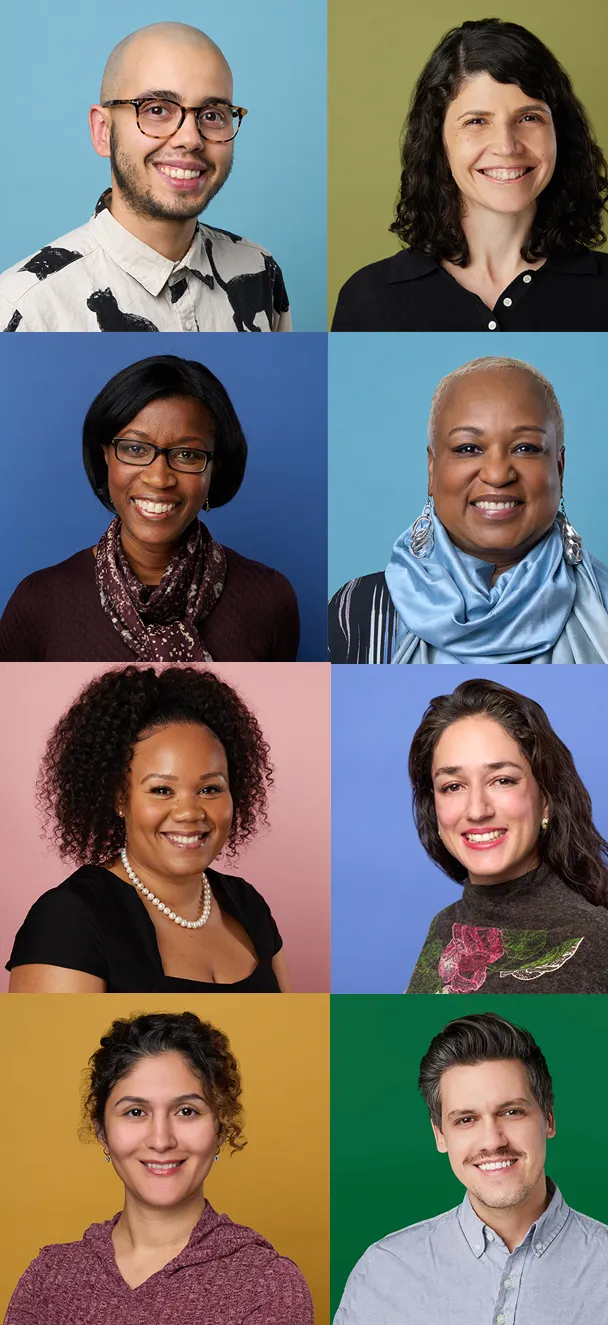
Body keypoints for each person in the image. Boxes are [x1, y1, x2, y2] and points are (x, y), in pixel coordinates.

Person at [331, 19, 608, 331]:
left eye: (529, 118)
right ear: (438, 140)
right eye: (476, 121)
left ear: (560, 132)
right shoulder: (367, 301)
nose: (506, 146)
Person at [327, 356, 608, 663]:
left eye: (526, 448)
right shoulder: (357, 610)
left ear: (559, 469)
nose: (498, 474)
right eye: (469, 448)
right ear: (432, 470)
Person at [335, 1012, 608, 1323]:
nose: (492, 1140)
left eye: (512, 1112)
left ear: (548, 1118)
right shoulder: (382, 1272)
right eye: (466, 1119)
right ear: (440, 1135)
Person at [4, 1012, 313, 1324]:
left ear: (220, 1130)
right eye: (136, 1111)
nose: (161, 1140)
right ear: (102, 1131)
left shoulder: (266, 1283)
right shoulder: (49, 1277)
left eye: (187, 1111)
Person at [6, 666, 291, 993]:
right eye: (161, 790)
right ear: (119, 798)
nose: (189, 812)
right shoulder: (68, 921)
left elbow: (293, 1037)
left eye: (210, 789)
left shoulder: (250, 905)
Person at [0, 355, 299, 662]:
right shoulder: (39, 602)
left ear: (215, 467)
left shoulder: (269, 599)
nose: (159, 478)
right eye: (135, 449)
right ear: (105, 455)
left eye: (187, 454)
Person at [0, 23, 290, 333]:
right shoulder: (25, 307)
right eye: (156, 110)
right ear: (102, 131)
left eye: (212, 115)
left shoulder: (260, 269)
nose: (190, 138)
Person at [402, 678, 608, 994]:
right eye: (453, 786)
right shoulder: (443, 927)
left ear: (545, 800)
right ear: (434, 808)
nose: (477, 810)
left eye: (503, 780)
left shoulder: (597, 945)